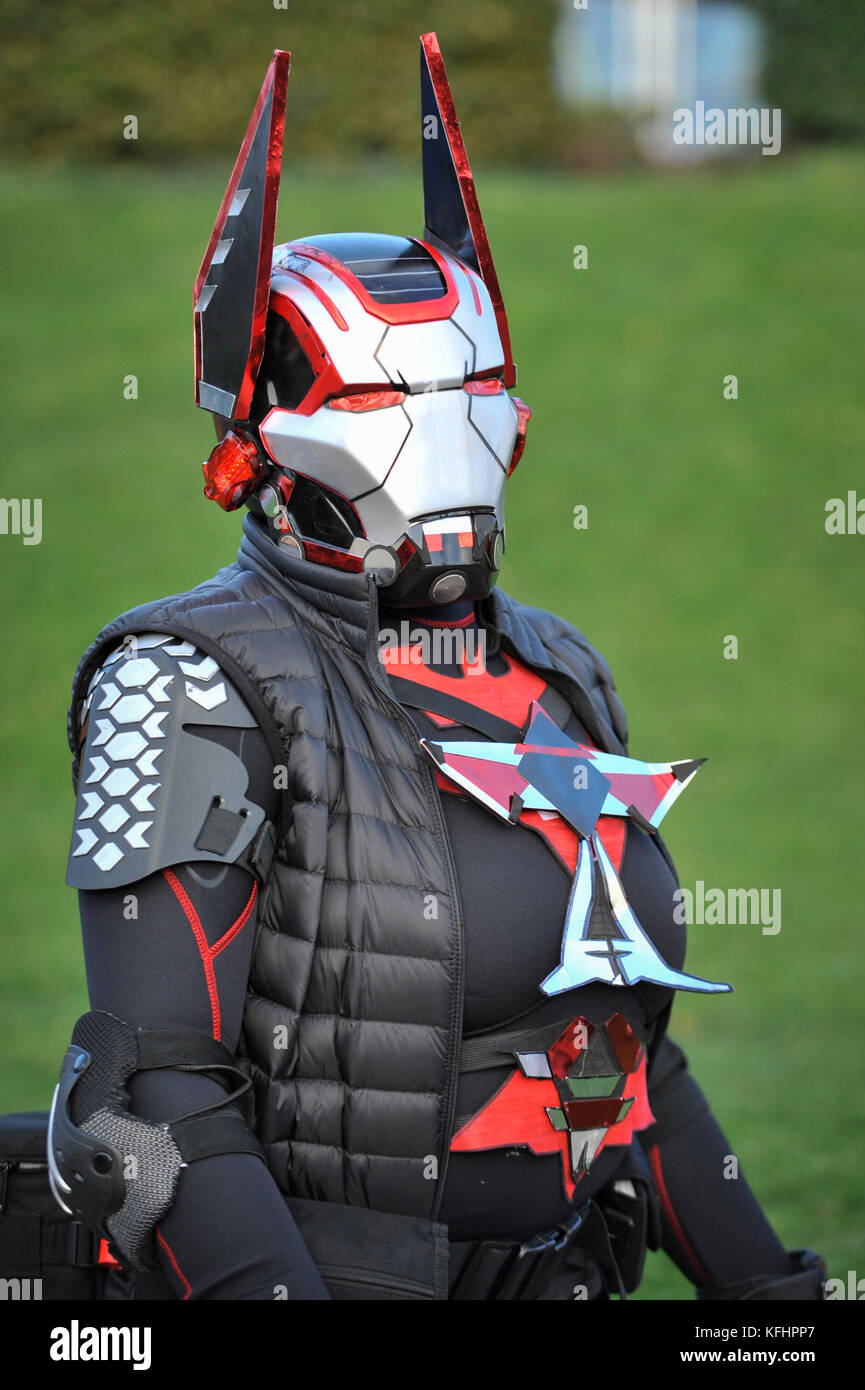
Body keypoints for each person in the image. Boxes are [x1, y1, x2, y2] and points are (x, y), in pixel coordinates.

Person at [49, 36, 825, 1302]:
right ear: (276, 433)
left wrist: (774, 1301)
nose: (446, 423)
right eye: (397, 393)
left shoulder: (557, 671)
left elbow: (626, 1066)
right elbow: (151, 1107)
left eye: (471, 381)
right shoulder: (184, 682)